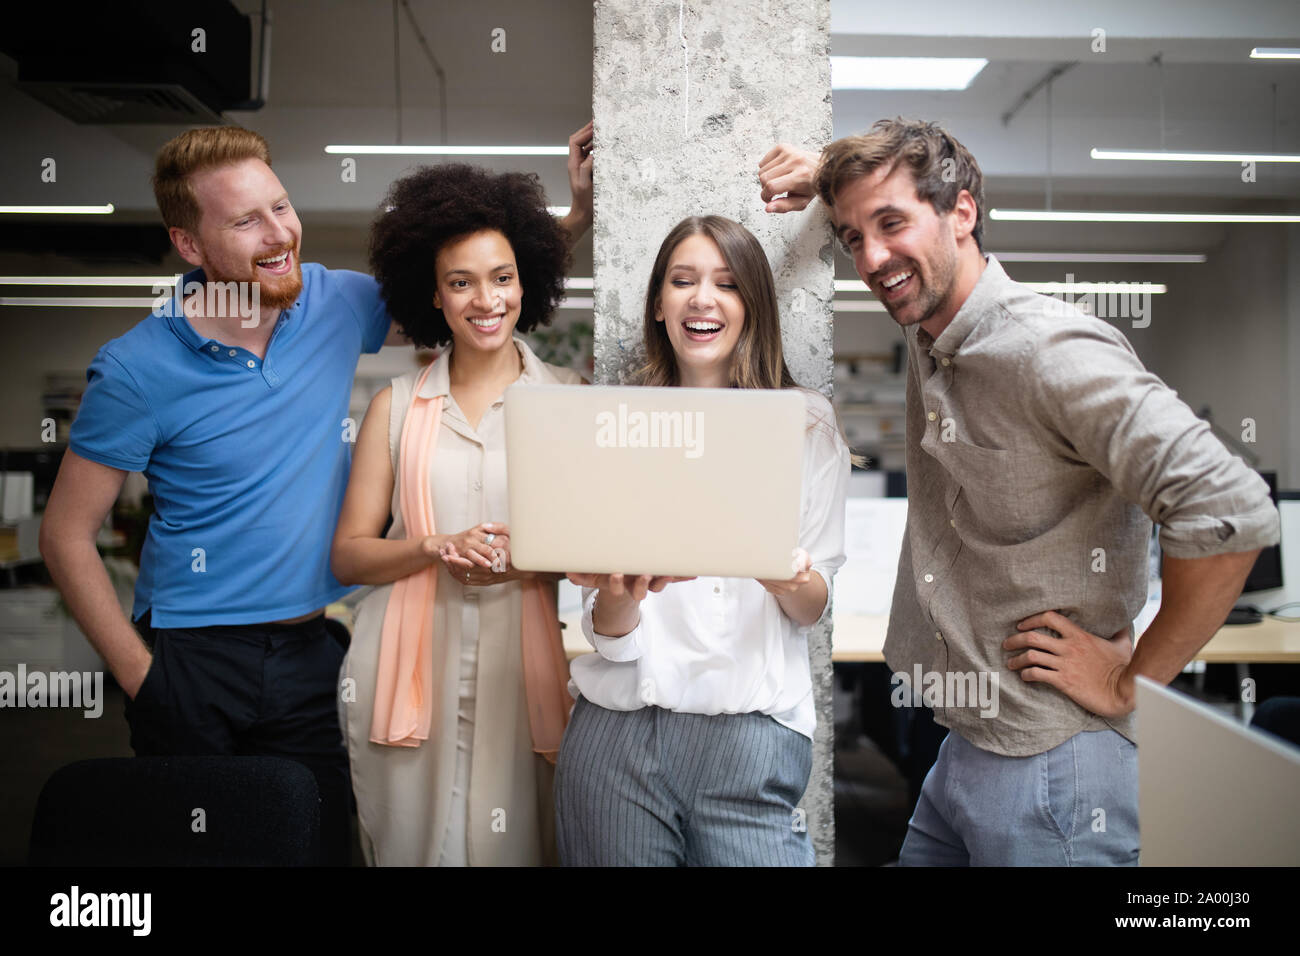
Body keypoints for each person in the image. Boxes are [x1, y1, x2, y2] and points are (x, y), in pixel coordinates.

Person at [39, 122, 593, 866]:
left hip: (310, 654)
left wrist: (577, 216)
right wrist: (143, 680)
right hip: (192, 662)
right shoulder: (137, 368)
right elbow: (66, 536)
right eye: (245, 220)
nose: (279, 234)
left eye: (281, 206)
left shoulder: (335, 304)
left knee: (324, 845)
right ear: (191, 246)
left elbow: (470, 292)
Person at [760, 118, 1280, 865]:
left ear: (962, 212)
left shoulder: (1049, 351)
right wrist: (833, 178)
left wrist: (1137, 682)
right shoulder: (931, 327)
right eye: (853, 238)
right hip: (965, 750)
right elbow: (889, 242)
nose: (872, 258)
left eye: (893, 223)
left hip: (1055, 769)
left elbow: (1231, 510)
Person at [554, 215, 851, 866]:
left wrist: (788, 576)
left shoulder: (808, 426)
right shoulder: (617, 425)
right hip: (618, 741)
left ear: (753, 306)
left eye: (726, 283)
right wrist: (619, 598)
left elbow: (814, 606)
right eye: (681, 281)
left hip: (750, 744)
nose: (701, 298)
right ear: (660, 305)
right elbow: (607, 635)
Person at [331, 163, 584, 866]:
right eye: (461, 282)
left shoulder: (570, 400)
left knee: (520, 848)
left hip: (522, 664)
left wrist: (523, 560)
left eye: (501, 277)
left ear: (525, 282)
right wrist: (433, 547)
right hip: (403, 666)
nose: (485, 299)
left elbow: (597, 551)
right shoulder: (395, 406)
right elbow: (348, 554)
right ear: (433, 296)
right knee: (417, 848)